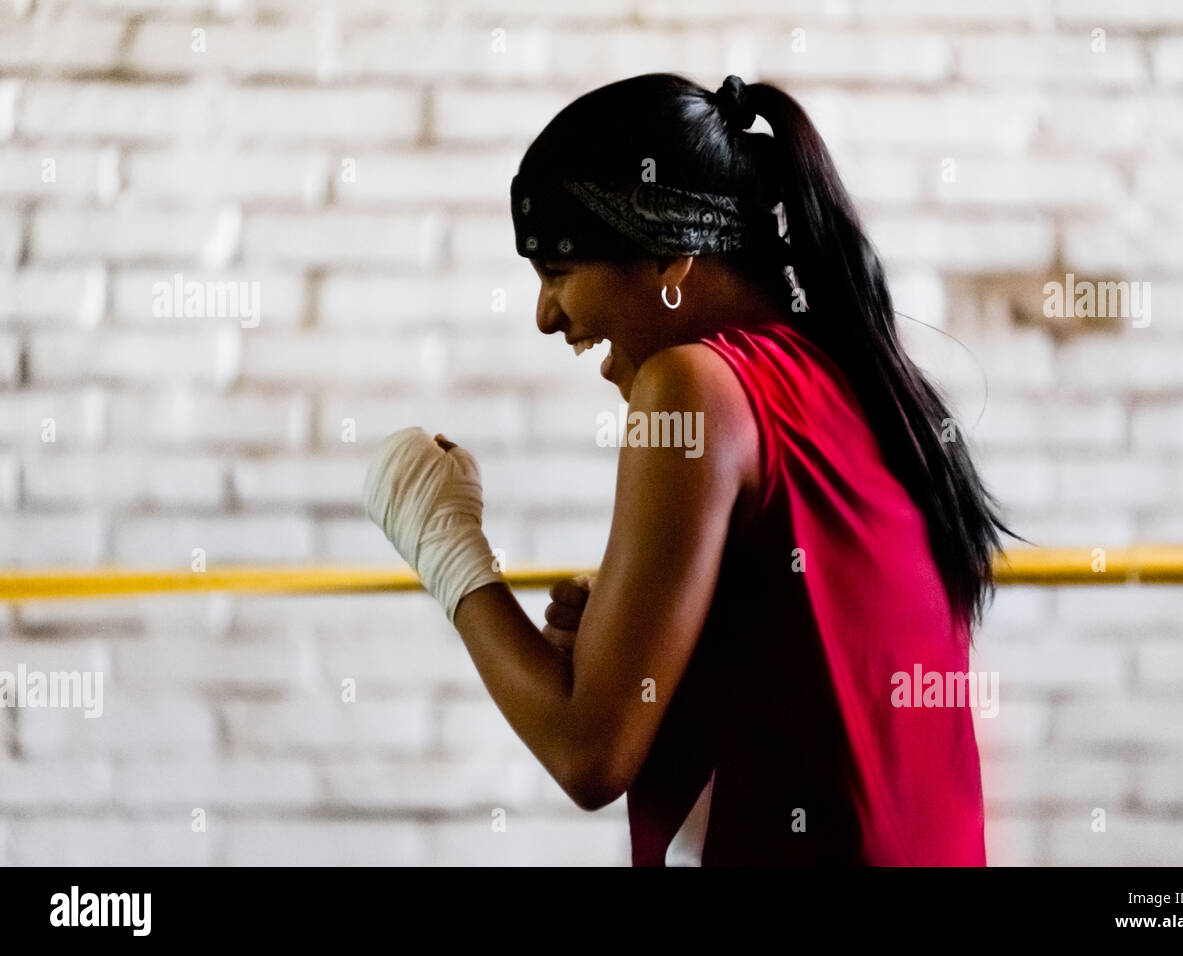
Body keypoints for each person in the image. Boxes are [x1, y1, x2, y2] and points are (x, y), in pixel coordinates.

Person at [364, 73, 1020, 865]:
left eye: (559, 272)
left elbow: (590, 754)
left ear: (673, 253)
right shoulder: (863, 379)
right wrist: (652, 636)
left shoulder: (697, 387)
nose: (545, 316)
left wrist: (446, 544)